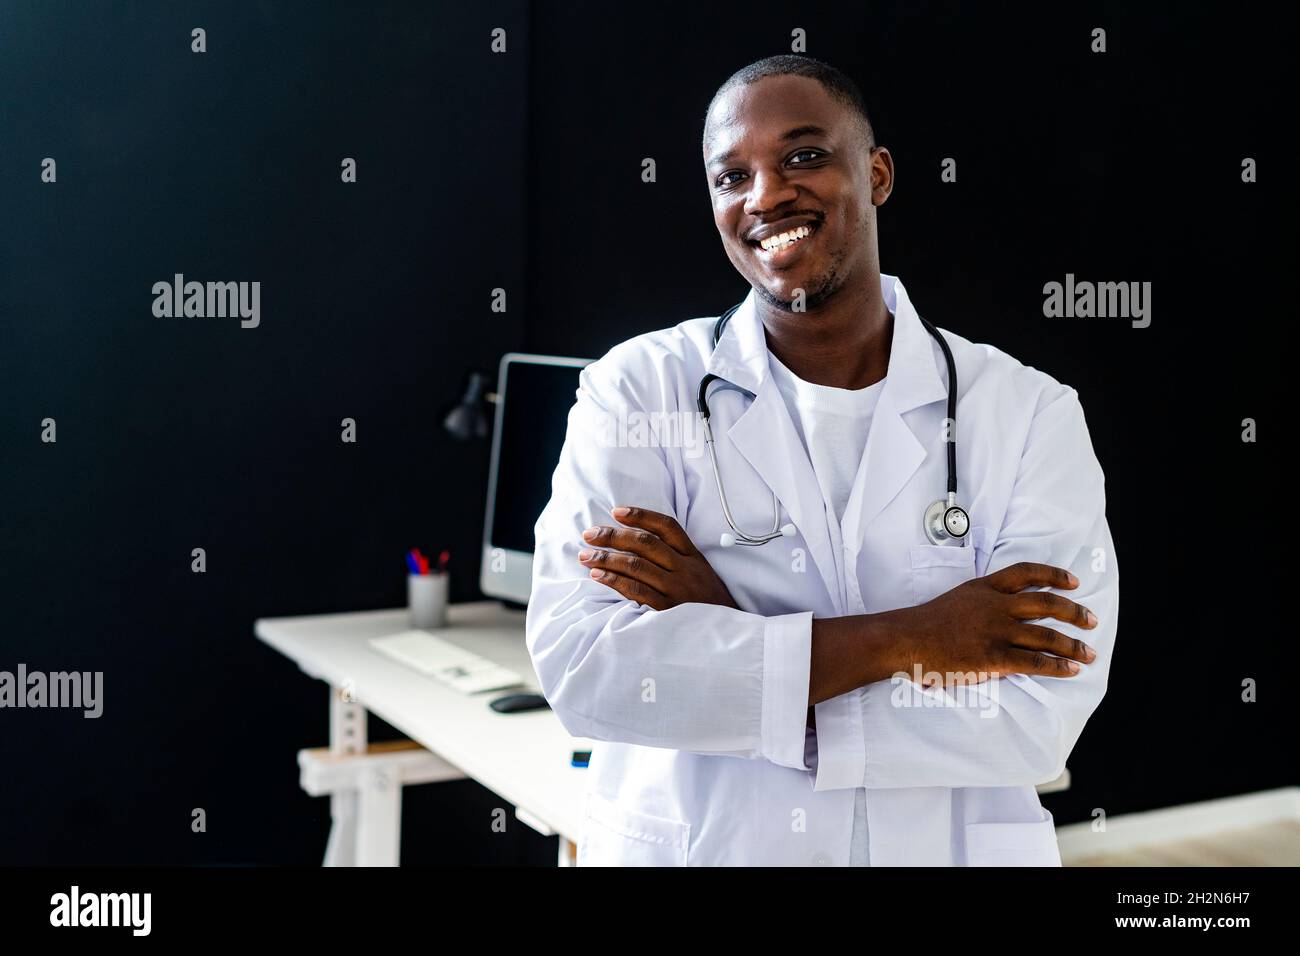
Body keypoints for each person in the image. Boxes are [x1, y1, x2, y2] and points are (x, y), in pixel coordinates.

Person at [526, 54, 1117, 866]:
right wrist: (914, 636)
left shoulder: (1025, 412)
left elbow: (1037, 716)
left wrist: (735, 637)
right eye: (732, 175)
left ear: (876, 174)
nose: (766, 196)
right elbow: (591, 671)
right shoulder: (637, 391)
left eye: (804, 156)